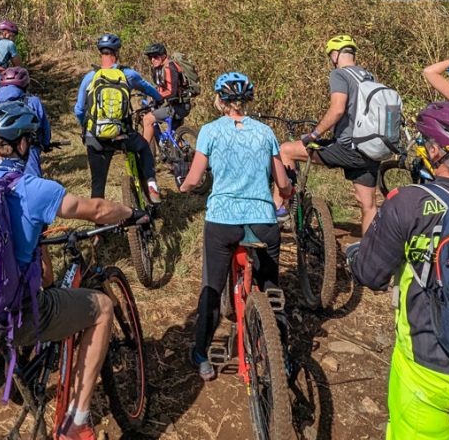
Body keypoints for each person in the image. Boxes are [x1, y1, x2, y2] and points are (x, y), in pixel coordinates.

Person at [0, 101, 146, 440]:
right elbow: (96, 209)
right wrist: (130, 213)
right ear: (23, 144)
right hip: (17, 313)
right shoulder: (34, 189)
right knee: (102, 309)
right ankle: (77, 421)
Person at [350, 101, 449, 439]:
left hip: (428, 370)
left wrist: (356, 254)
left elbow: (370, 274)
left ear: (438, 151)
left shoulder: (410, 202)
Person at [179, 72, 293, 381]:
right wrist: (285, 194)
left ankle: (202, 355)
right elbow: (282, 181)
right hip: (262, 221)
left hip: (223, 221)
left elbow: (195, 178)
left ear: (219, 100)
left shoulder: (209, 131)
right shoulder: (266, 132)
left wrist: (183, 189)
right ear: (248, 101)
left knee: (211, 288)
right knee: (271, 286)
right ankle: (280, 355)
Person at [279, 34, 381, 235]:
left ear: (335, 55)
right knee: (368, 205)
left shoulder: (340, 75)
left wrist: (314, 134)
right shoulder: (368, 76)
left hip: (347, 148)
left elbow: (337, 109)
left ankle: (284, 210)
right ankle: (370, 252)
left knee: (286, 150)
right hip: (370, 149)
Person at [73, 33, 162, 203]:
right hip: (122, 135)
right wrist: (159, 98)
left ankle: (99, 227)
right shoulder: (128, 74)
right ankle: (151, 185)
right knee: (143, 147)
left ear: (100, 53)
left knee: (97, 185)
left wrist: (87, 125)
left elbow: (78, 109)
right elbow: (149, 90)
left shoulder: (90, 77)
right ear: (117, 53)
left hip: (96, 137)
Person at [0, 66, 51, 177]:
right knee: (30, 184)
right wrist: (45, 144)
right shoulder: (33, 102)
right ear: (25, 85)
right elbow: (44, 127)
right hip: (27, 150)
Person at [140, 42, 190, 146]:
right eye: (150, 57)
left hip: (177, 107)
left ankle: (143, 152)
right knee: (175, 136)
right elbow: (162, 88)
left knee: (147, 119)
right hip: (179, 104)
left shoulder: (169, 68)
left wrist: (156, 97)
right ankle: (183, 159)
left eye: (155, 56)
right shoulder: (160, 68)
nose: (153, 59)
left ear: (163, 55)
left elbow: (171, 92)